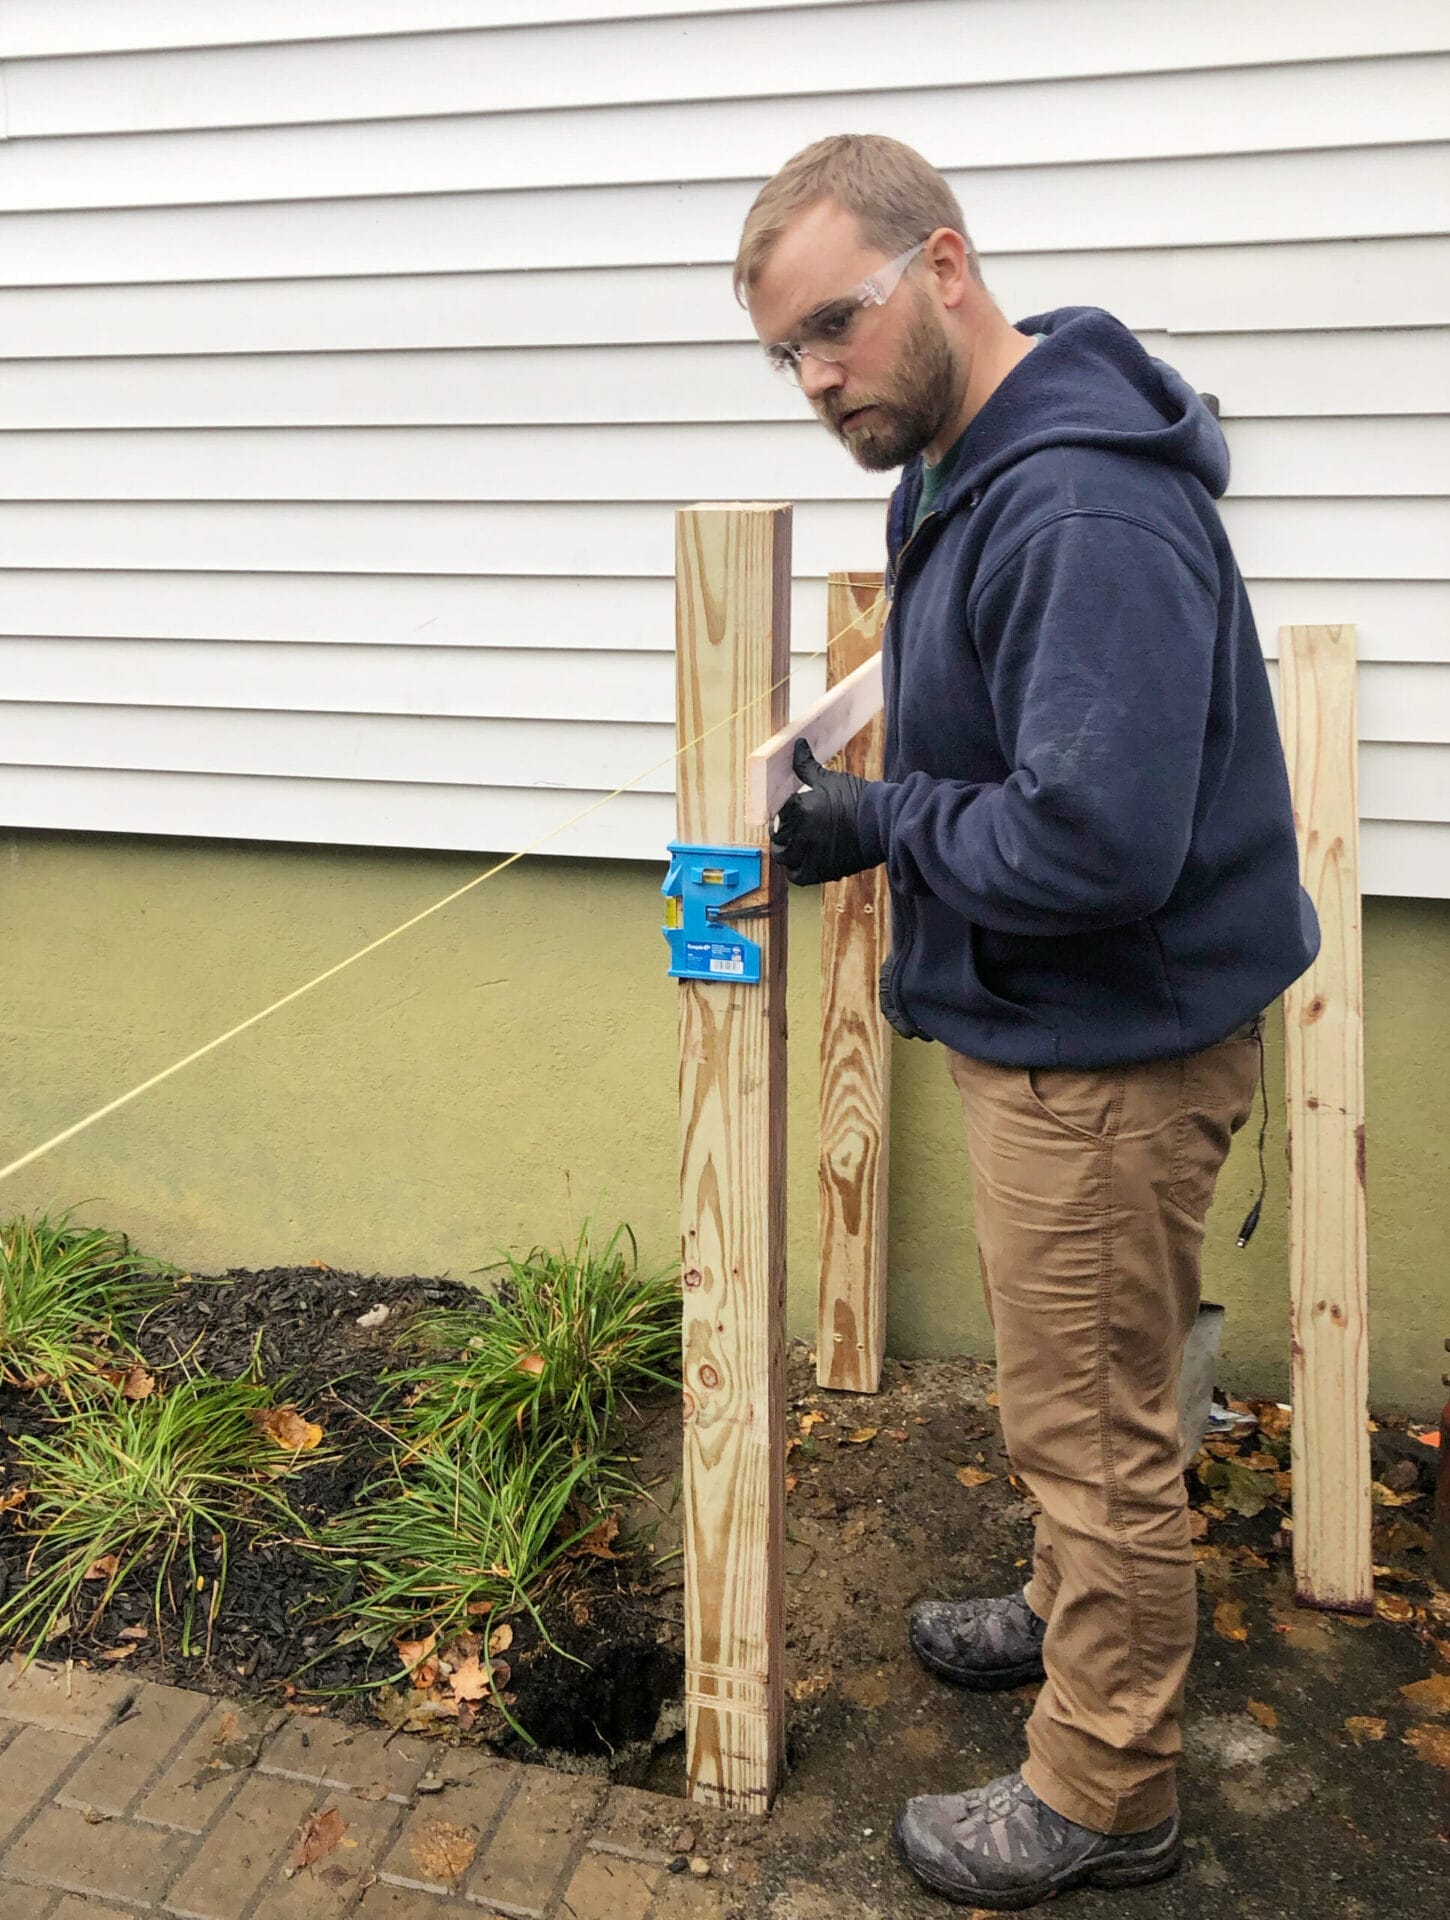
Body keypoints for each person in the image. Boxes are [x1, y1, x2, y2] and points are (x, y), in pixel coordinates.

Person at [734, 135, 1319, 1911]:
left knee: (1092, 1433)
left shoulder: (1078, 510)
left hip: (1106, 1052)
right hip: (1053, 1030)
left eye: (836, 325)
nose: (820, 377)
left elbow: (1095, 836)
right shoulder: (968, 460)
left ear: (946, 268)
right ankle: (1077, 1616)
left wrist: (879, 822)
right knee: (1075, 1393)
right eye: (789, 356)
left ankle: (1104, 1788)